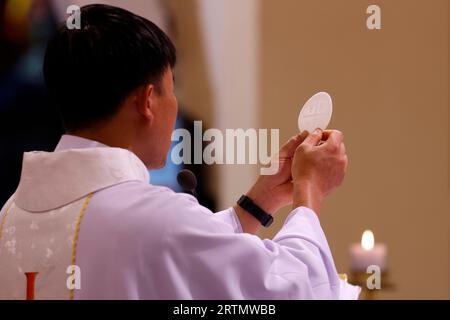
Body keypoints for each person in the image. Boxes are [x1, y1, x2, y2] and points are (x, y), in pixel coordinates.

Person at [0, 4, 359, 299]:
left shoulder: (12, 215)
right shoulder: (150, 217)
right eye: (171, 89)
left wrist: (258, 202)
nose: (175, 105)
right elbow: (290, 291)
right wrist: (309, 190)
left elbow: (180, 249)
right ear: (146, 101)